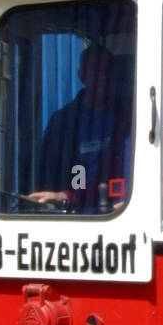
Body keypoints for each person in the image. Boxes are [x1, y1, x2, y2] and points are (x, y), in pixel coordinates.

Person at [28, 44, 132, 212]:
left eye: (107, 71)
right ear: (82, 76)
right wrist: (67, 197)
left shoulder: (129, 116)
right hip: (78, 215)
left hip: (122, 209)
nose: (102, 78)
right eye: (95, 71)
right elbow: (53, 173)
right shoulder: (63, 123)